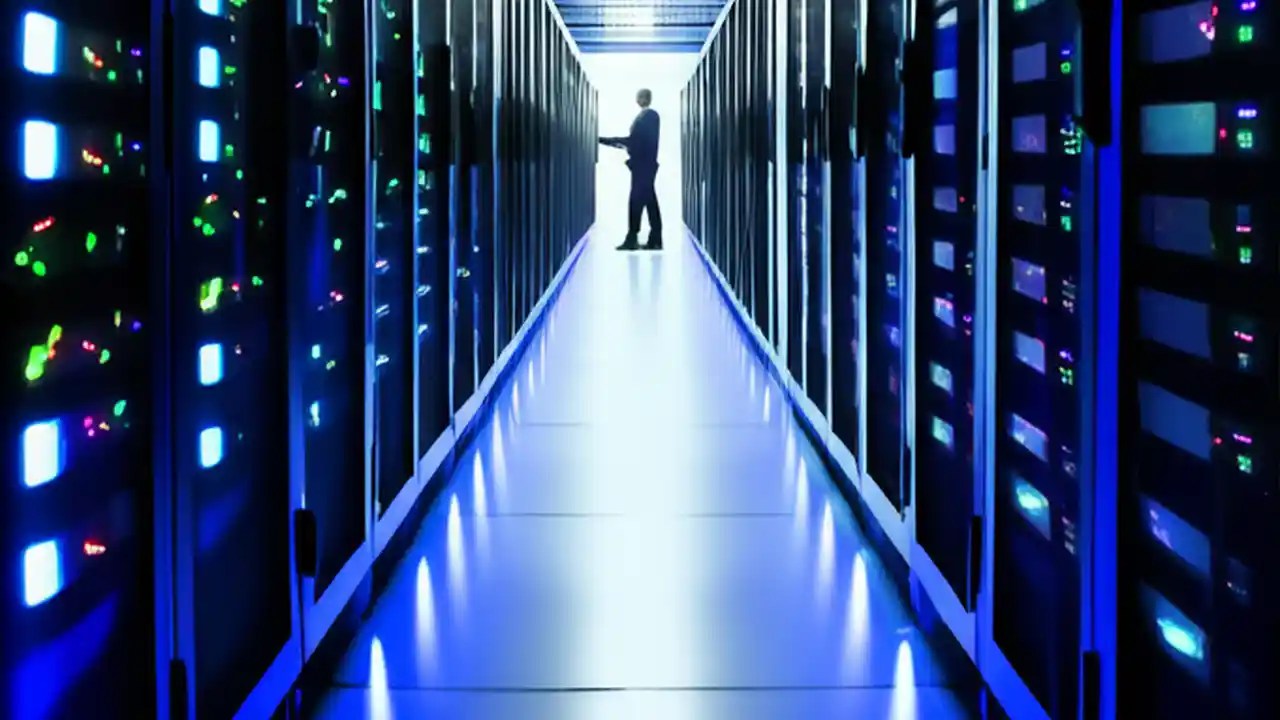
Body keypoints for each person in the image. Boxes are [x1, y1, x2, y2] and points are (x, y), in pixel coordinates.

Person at [599, 88, 662, 251]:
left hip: (643, 167)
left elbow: (634, 141)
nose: (637, 100)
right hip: (644, 166)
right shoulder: (647, 116)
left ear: (643, 98)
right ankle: (653, 240)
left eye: (639, 97)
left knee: (637, 201)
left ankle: (634, 239)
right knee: (649, 201)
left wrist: (606, 140)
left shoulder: (649, 116)